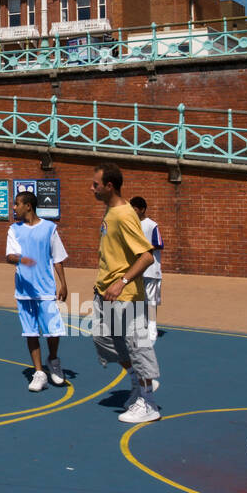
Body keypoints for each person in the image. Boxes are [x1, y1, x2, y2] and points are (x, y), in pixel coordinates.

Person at [90, 162, 160, 424]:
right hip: (105, 293)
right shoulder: (111, 211)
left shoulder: (123, 214)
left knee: (138, 345)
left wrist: (121, 281)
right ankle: (137, 383)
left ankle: (148, 402)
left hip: (126, 295)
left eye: (95, 184)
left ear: (109, 186)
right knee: (104, 340)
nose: (92, 188)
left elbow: (146, 256)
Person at [6, 192, 68, 391]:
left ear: (28, 206)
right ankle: (39, 372)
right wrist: (20, 259)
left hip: (46, 289)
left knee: (53, 331)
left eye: (17, 204)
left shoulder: (49, 229)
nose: (14, 208)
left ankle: (53, 360)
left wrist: (63, 284)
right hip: (24, 290)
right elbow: (9, 256)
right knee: (30, 332)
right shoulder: (14, 229)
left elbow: (57, 258)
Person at [129, 197, 163, 340]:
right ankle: (141, 326)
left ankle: (152, 329)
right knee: (138, 298)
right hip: (137, 269)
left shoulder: (152, 225)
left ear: (142, 209)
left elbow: (159, 243)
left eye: (135, 209)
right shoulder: (131, 225)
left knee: (151, 300)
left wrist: (144, 248)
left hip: (151, 269)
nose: (133, 212)